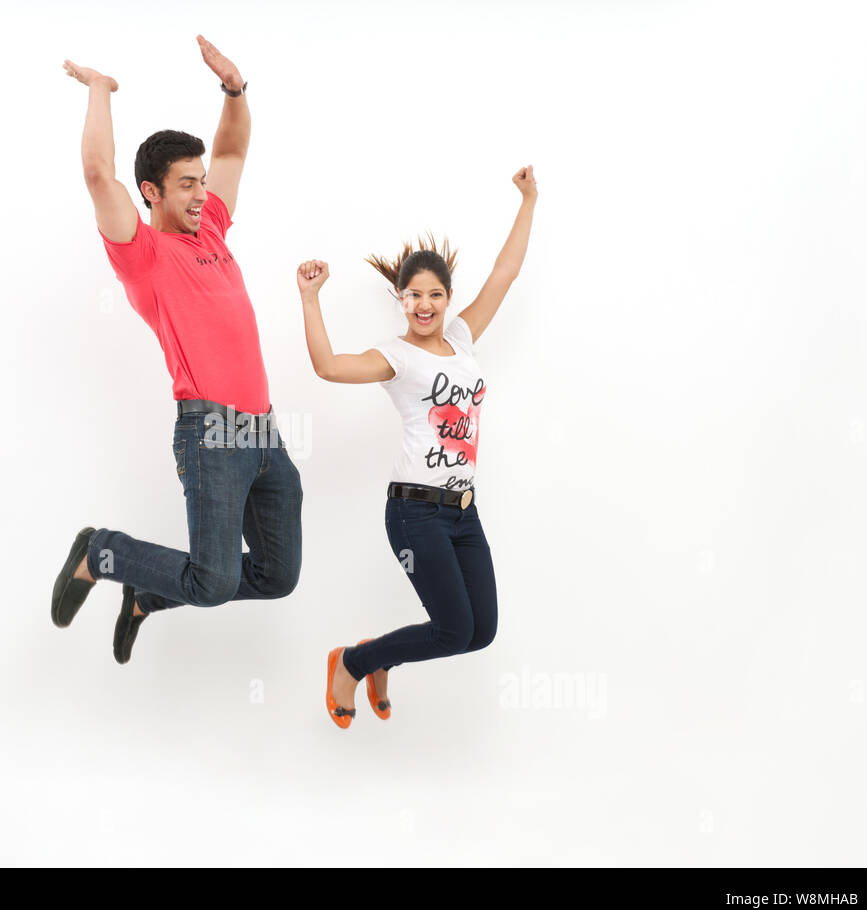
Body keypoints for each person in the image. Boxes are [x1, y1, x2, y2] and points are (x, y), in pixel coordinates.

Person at [53, 36, 303, 665]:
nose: (200, 194)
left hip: (263, 434)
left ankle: (146, 596)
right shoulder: (143, 254)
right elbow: (95, 174)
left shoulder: (210, 224)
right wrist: (100, 90)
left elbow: (233, 148)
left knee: (277, 576)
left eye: (200, 182)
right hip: (210, 433)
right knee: (214, 582)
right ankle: (100, 552)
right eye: (185, 184)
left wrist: (235, 89)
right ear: (151, 192)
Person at [297, 166, 538, 727]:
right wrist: (311, 298)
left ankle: (377, 660)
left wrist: (528, 199)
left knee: (480, 633)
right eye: (414, 296)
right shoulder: (397, 357)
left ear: (448, 298)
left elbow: (505, 273)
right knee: (454, 628)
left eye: (434, 295)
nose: (424, 305)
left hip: (462, 510)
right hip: (414, 512)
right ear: (400, 299)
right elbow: (329, 367)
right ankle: (353, 662)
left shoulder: (461, 338)